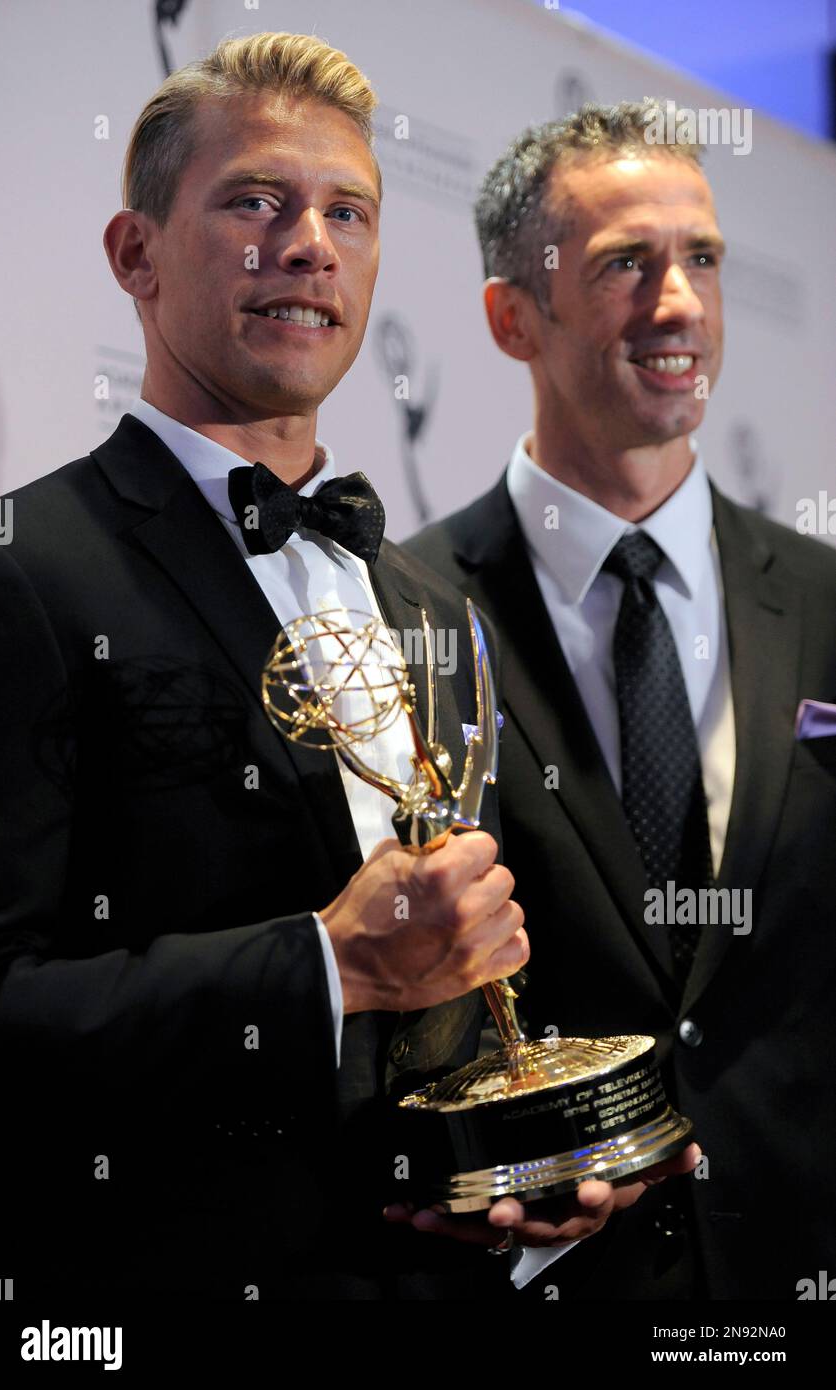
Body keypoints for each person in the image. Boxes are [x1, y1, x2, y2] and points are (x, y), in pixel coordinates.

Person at [0, 42, 693, 1305]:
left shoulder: (428, 600)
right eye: (254, 201)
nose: (307, 244)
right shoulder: (19, 573)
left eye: (346, 212)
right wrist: (328, 964)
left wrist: (526, 1184)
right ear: (135, 256)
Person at [407, 99, 836, 1301]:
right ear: (512, 318)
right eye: (624, 266)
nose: (680, 304)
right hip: (548, 1294)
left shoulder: (823, 597)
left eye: (700, 256)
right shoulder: (406, 610)